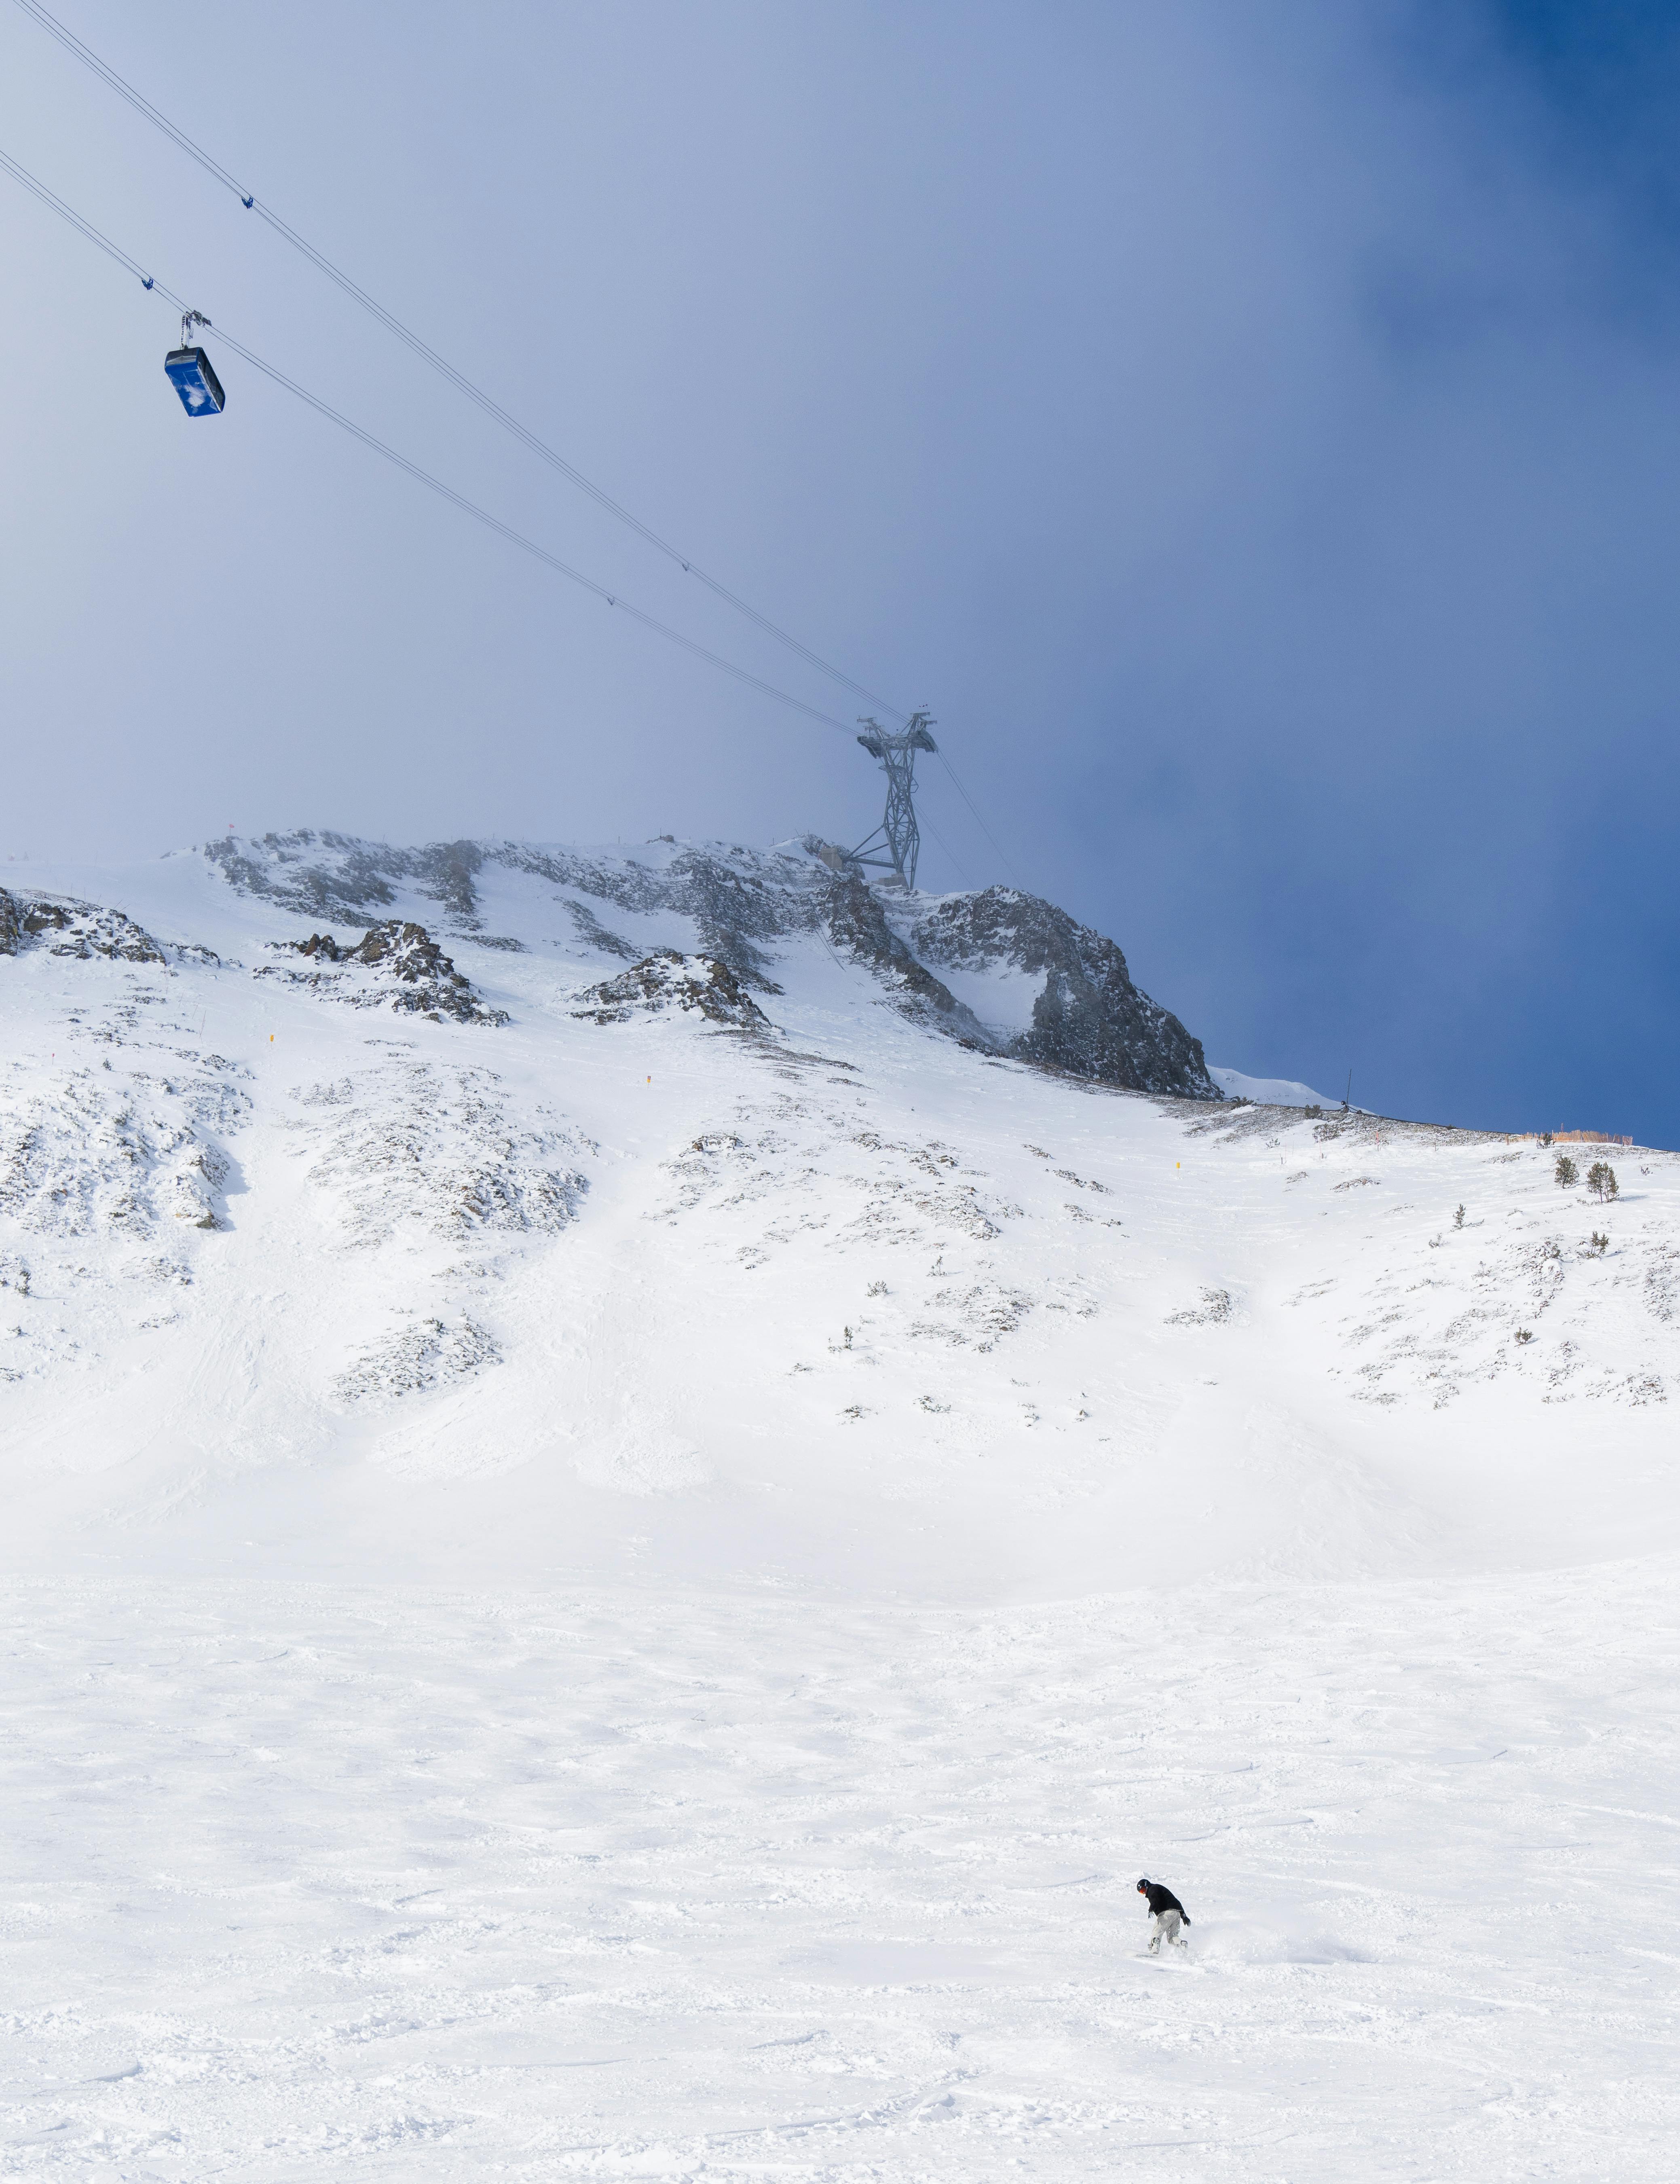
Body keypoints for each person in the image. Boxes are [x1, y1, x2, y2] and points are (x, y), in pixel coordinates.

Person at [1138, 1876, 1190, 1952]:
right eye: (1141, 1892)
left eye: (1143, 1890)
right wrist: (1184, 1916)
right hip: (1176, 1914)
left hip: (1167, 1913)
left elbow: (1155, 1899)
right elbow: (1177, 1902)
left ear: (1147, 1885)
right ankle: (1182, 1945)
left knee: (1157, 1931)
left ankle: (1154, 1949)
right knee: (1172, 1937)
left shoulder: (1153, 1888)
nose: (1144, 1893)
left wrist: (1151, 1909)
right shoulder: (1158, 1889)